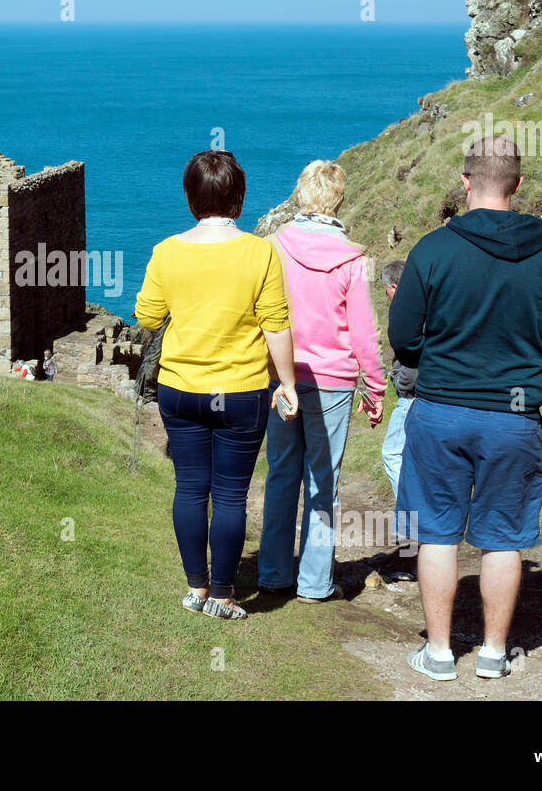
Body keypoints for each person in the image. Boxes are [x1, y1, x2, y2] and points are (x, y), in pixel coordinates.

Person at [389, 136, 542, 682]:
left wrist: (438, 368)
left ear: (466, 182)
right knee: (503, 537)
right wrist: (531, 382)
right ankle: (495, 654)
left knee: (437, 532)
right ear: (518, 185)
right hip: (514, 418)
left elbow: (403, 336)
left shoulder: (432, 250)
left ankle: (440, 654)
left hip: (442, 410)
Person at [134, 150, 299, 621]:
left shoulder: (167, 251)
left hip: (180, 388)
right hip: (242, 391)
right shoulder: (260, 252)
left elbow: (147, 315)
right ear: (240, 199)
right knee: (230, 495)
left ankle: (195, 587)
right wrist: (286, 383)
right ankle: (224, 597)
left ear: (189, 198)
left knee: (189, 489)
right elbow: (276, 325)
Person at [260, 161, 385, 603]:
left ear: (300, 196)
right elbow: (364, 334)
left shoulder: (274, 248)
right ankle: (314, 582)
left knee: (280, 475)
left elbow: (261, 314)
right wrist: (376, 386)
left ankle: (273, 573)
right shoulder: (352, 259)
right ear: (339, 199)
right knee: (322, 482)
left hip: (283, 375)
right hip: (332, 381)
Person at [380, 260, 417, 502]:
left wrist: (401, 383)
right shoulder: (429, 305)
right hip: (435, 393)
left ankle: (412, 512)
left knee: (392, 453)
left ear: (393, 286)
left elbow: (413, 359)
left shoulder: (406, 312)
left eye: (385, 290)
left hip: (413, 394)